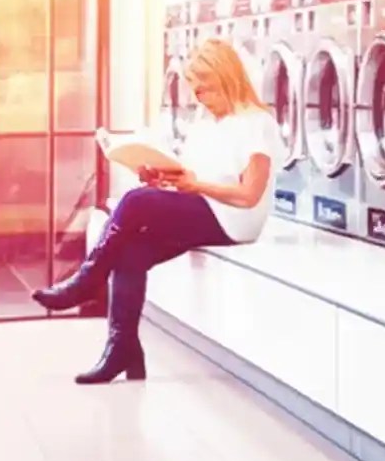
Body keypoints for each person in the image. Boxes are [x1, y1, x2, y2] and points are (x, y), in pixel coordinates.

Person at [32, 37, 284, 385]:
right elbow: (192, 175)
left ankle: (87, 280)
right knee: (130, 252)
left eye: (205, 90)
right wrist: (161, 177)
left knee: (134, 202)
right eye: (195, 92)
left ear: (226, 78)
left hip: (233, 219)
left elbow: (249, 195)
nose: (200, 99)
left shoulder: (257, 123)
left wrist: (195, 187)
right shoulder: (206, 122)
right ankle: (122, 352)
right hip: (203, 208)